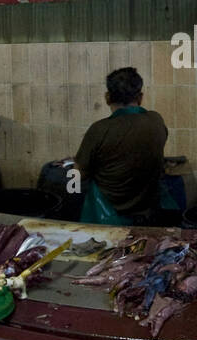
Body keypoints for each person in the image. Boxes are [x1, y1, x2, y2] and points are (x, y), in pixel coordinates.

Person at [73, 66, 170, 224]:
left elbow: (78, 174)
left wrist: (71, 189)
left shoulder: (99, 129)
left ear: (107, 97)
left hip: (108, 215)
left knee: (71, 185)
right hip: (149, 210)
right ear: (140, 97)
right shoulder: (156, 121)